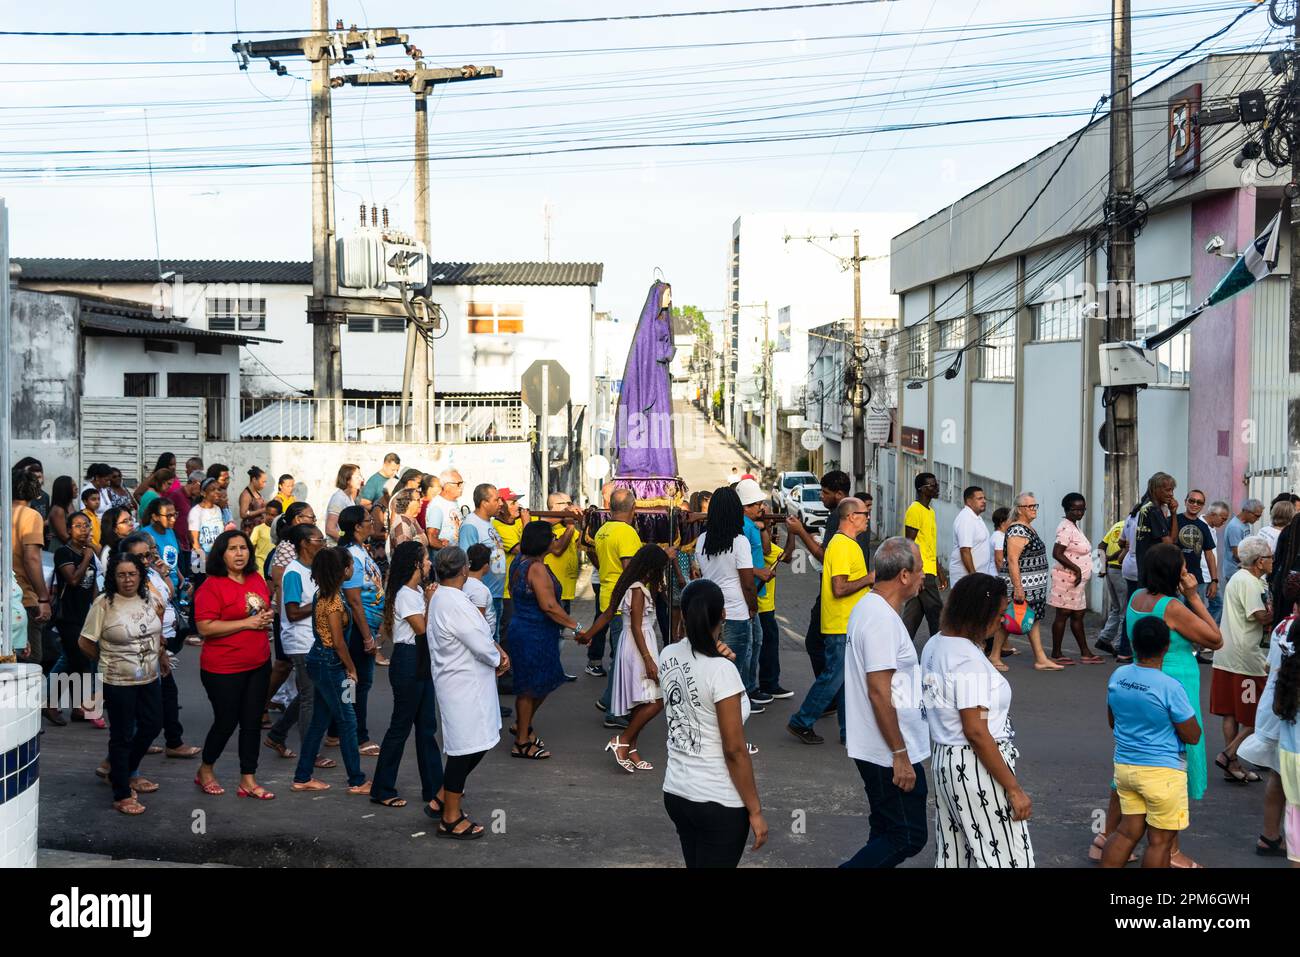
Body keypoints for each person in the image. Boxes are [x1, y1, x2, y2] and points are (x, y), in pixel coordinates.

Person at [1097, 543, 1221, 867]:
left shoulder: (1138, 598)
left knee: (1133, 758)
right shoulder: (1173, 607)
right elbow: (1214, 639)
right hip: (1172, 680)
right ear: (1172, 573)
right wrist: (1194, 596)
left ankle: (1106, 836)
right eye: (1182, 568)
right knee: (1173, 757)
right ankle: (1171, 850)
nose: (1186, 573)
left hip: (1138, 684)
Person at [922, 572, 1035, 868]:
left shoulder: (936, 644)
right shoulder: (967, 660)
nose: (1003, 621)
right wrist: (1014, 788)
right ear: (978, 613)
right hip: (975, 766)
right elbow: (975, 731)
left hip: (946, 761)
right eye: (999, 614)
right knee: (1005, 858)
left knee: (954, 856)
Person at [659, 578, 766, 867]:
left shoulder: (667, 655)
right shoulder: (721, 670)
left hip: (677, 792)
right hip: (717, 799)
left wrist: (721, 660)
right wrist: (755, 810)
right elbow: (734, 749)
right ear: (723, 615)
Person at [842, 537, 929, 868]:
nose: (924, 576)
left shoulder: (871, 607)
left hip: (880, 747)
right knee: (907, 835)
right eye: (920, 569)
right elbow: (879, 690)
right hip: (886, 751)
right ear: (904, 576)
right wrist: (900, 755)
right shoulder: (879, 618)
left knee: (884, 830)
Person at [1100, 617, 1203, 868]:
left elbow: (1113, 720)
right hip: (1163, 773)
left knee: (1126, 832)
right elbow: (1193, 735)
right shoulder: (1171, 687)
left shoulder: (1119, 676)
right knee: (1160, 842)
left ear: (1133, 645)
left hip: (1125, 768)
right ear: (1166, 647)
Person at [428, 546, 510, 839]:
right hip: (462, 685)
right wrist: (498, 657)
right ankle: (450, 817)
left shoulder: (449, 598)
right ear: (463, 570)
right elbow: (476, 640)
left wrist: (495, 651)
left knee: (480, 742)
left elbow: (479, 637)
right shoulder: (453, 602)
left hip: (468, 682)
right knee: (464, 749)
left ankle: (441, 798)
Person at [77, 552, 167, 814]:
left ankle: (120, 769)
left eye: (132, 574)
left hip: (149, 677)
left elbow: (157, 629)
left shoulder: (149, 598)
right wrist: (107, 660)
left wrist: (160, 655)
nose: (127, 580)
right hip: (118, 681)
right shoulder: (104, 603)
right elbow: (84, 642)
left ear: (140, 576)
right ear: (113, 577)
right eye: (121, 575)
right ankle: (121, 792)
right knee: (122, 734)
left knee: (152, 725)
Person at [193, 530, 275, 800]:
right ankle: (206, 769)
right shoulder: (212, 586)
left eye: (243, 548)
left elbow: (260, 608)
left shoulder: (256, 578)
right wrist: (247, 623)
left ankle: (248, 779)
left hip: (259, 662)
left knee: (252, 722)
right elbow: (205, 627)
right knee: (226, 721)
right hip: (223, 668)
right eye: (232, 548)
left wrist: (266, 616)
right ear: (221, 553)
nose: (239, 553)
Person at [788, 497, 874, 745]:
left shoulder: (846, 544)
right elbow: (839, 588)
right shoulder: (843, 545)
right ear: (851, 517)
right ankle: (801, 721)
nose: (868, 517)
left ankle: (850, 732)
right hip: (840, 624)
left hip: (847, 623)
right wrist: (869, 579)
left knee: (847, 680)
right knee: (833, 677)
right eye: (864, 513)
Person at [289, 547, 370, 796]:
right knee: (348, 720)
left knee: (319, 722)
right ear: (343, 570)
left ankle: (302, 777)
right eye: (351, 565)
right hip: (331, 665)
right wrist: (352, 668)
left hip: (321, 662)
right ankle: (356, 780)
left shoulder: (323, 595)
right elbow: (338, 642)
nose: (354, 569)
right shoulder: (334, 602)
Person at [370, 541, 443, 807]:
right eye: (425, 560)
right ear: (415, 564)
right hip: (409, 659)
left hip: (421, 659)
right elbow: (423, 629)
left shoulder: (417, 591)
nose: (429, 564)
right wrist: (432, 602)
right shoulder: (405, 594)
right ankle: (382, 789)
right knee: (400, 727)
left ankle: (435, 787)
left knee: (427, 728)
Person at [583, 545, 669, 771]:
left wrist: (588, 635)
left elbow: (608, 613)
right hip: (639, 646)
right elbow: (638, 628)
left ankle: (631, 747)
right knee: (656, 699)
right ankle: (621, 741)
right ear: (652, 568)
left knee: (641, 700)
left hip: (632, 644)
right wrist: (649, 659)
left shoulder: (630, 584)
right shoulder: (638, 589)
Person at [505, 522, 583, 759]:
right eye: (552, 537)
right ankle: (521, 742)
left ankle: (522, 725)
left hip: (526, 629)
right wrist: (576, 626)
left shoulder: (520, 561)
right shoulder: (536, 568)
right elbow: (548, 605)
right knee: (531, 687)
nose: (555, 540)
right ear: (544, 542)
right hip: (534, 633)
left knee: (540, 682)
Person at [264, 525, 328, 765]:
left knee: (308, 694)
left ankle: (277, 734)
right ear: (304, 543)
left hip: (314, 639)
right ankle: (309, 753)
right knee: (311, 696)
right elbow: (291, 612)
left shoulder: (314, 569)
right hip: (300, 642)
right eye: (318, 539)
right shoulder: (293, 573)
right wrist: (322, 602)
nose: (322, 542)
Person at [1212, 534, 1273, 785]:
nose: (1272, 561)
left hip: (1228, 653)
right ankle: (1229, 754)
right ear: (1259, 561)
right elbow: (1260, 616)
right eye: (1269, 557)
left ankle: (1232, 764)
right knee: (1258, 714)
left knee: (1231, 712)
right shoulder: (1250, 582)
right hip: (1246, 656)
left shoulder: (1240, 577)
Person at [779, 469, 851, 678]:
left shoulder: (838, 515)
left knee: (815, 642)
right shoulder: (850, 514)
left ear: (838, 494)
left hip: (833, 589)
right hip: (838, 589)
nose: (821, 496)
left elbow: (827, 557)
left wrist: (801, 532)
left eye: (824, 492)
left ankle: (828, 695)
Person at [694, 486, 758, 709]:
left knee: (712, 668)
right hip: (736, 611)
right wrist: (753, 607)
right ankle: (732, 723)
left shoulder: (702, 540)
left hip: (709, 611)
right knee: (734, 671)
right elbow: (748, 584)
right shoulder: (740, 542)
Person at [1233, 615, 1291, 858]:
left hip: (1276, 708)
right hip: (1288, 713)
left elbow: (1269, 666)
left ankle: (1270, 836)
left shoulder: (1282, 625)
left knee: (1279, 775)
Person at [990, 492, 1063, 672]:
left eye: (1035, 506)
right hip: (1022, 586)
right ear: (1019, 510)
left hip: (1033, 587)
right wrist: (1018, 588)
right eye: (1029, 506)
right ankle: (994, 656)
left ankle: (1040, 658)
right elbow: (1013, 560)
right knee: (1008, 620)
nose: (1034, 509)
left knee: (1032, 619)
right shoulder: (1017, 530)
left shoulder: (1027, 527)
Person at [592, 487, 642, 727]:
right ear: (633, 508)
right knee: (622, 658)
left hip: (608, 598)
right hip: (623, 602)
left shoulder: (603, 530)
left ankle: (608, 699)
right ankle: (614, 710)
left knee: (619, 655)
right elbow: (630, 570)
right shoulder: (627, 533)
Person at [339, 505, 385, 753]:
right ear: (357, 526)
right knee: (356, 680)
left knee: (355, 680)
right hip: (356, 628)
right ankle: (356, 734)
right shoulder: (350, 555)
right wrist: (367, 636)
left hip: (366, 624)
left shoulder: (359, 551)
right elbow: (354, 599)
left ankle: (340, 729)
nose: (373, 523)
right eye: (368, 520)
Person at [52, 512, 101, 723]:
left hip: (85, 614)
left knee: (75, 660)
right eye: (78, 526)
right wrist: (87, 557)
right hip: (67, 615)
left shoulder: (89, 552)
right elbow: (72, 579)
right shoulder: (64, 553)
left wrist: (98, 607)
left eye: (86, 526)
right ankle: (50, 703)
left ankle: (78, 707)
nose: (83, 530)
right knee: (76, 659)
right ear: (69, 530)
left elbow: (93, 584)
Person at [1048, 493, 1099, 664]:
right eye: (1075, 509)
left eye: (1082, 509)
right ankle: (1056, 653)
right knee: (1062, 615)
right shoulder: (1066, 527)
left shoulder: (1074, 526)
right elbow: (1057, 553)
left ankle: (1085, 652)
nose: (1079, 513)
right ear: (1067, 509)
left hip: (1077, 582)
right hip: (1067, 579)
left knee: (1078, 615)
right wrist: (1076, 568)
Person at [12, 471, 53, 679]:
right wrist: (44, 598)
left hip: (7, 597)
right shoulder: (32, 516)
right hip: (23, 599)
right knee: (30, 663)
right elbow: (32, 559)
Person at [543, 491, 584, 681]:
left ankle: (555, 669)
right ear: (553, 508)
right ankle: (551, 670)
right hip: (553, 589)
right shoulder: (545, 527)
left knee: (559, 633)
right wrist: (569, 525)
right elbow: (557, 549)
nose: (569, 505)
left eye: (570, 502)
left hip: (566, 589)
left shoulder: (567, 525)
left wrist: (581, 521)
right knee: (553, 633)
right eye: (564, 503)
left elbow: (582, 541)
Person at [458, 483, 507, 639]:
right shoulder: (470, 525)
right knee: (487, 639)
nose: (500, 503)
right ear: (484, 503)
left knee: (494, 637)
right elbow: (466, 560)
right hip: (482, 595)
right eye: (496, 499)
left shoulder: (489, 523)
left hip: (495, 593)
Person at [902, 472, 947, 641]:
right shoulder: (915, 510)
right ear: (922, 489)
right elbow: (909, 544)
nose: (937, 488)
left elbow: (929, 545)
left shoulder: (930, 511)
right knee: (937, 611)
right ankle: (939, 650)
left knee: (912, 615)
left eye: (936, 485)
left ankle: (899, 650)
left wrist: (939, 570)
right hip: (921, 571)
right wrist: (915, 574)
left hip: (929, 569)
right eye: (932, 486)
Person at [755, 518, 794, 701]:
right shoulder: (763, 548)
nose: (771, 532)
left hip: (761, 604)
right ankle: (769, 683)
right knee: (768, 645)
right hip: (762, 605)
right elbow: (788, 556)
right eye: (768, 528)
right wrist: (793, 532)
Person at [492, 488, 527, 643]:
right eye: (513, 502)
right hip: (505, 591)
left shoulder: (517, 520)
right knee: (507, 634)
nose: (518, 506)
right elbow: (525, 549)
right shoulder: (498, 527)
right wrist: (527, 524)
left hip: (518, 587)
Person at [1095, 514, 1129, 657]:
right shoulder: (1131, 527)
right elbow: (1127, 548)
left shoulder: (1117, 525)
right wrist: (1110, 558)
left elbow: (1101, 546)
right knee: (1125, 611)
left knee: (1116, 608)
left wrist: (1103, 565)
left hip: (1110, 571)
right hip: (1122, 570)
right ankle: (1119, 645)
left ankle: (1105, 638)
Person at [1133, 472, 1179, 576]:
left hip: (1146, 568)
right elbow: (1169, 544)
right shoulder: (1153, 510)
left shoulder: (1147, 506)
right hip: (1155, 570)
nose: (1171, 494)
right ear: (1155, 489)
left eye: (1172, 490)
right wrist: (1174, 514)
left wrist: (1173, 512)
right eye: (1167, 490)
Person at [949, 486, 994, 586]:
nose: (984, 501)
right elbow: (965, 551)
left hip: (978, 576)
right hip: (967, 578)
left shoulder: (976, 517)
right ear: (969, 501)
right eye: (979, 499)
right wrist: (973, 576)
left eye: (984, 498)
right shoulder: (966, 519)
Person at [1220, 498, 1264, 587]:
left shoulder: (1245, 524)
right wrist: (1255, 564)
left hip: (1242, 569)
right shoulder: (1235, 527)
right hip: (1234, 571)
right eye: (1257, 516)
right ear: (1247, 512)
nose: (1258, 519)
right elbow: (1237, 554)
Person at [1202, 501, 1231, 625]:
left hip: (1211, 576)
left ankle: (1207, 631)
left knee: (1218, 605)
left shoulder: (1212, 528)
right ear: (1213, 514)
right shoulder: (1200, 526)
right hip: (1202, 576)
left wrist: (1214, 579)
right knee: (1199, 608)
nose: (1223, 523)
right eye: (1223, 519)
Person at [187, 478, 225, 573]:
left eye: (218, 489)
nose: (217, 492)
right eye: (212, 490)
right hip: (200, 559)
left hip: (216, 557)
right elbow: (195, 542)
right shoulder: (196, 512)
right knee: (202, 585)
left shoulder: (218, 510)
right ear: (203, 493)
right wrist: (206, 562)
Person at [326, 464, 362, 542]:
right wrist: (345, 537)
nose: (361, 479)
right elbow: (330, 529)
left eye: (360, 476)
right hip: (337, 549)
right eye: (357, 477)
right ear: (347, 479)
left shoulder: (349, 498)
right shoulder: (338, 498)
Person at [388, 488, 424, 553]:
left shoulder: (411, 520)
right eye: (418, 500)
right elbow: (404, 553)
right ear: (407, 502)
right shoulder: (403, 524)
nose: (421, 502)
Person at [48, 475, 79, 549]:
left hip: (71, 546)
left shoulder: (70, 505)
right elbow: (64, 536)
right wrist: (81, 547)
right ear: (65, 489)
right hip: (60, 548)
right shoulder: (58, 510)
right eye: (73, 486)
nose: (76, 488)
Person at [249, 499, 279, 574]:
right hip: (260, 568)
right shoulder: (258, 529)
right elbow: (251, 547)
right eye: (267, 514)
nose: (269, 517)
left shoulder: (281, 531)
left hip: (275, 568)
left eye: (273, 515)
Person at [238, 466, 269, 532]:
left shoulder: (257, 492)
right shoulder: (246, 495)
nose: (264, 485)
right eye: (263, 482)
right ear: (254, 479)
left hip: (258, 529)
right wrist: (262, 510)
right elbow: (243, 514)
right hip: (250, 531)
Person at [989, 506, 1011, 574]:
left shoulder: (999, 535)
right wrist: (1004, 577)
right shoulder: (999, 537)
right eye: (1010, 519)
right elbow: (999, 561)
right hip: (997, 576)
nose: (1013, 522)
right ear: (1002, 523)